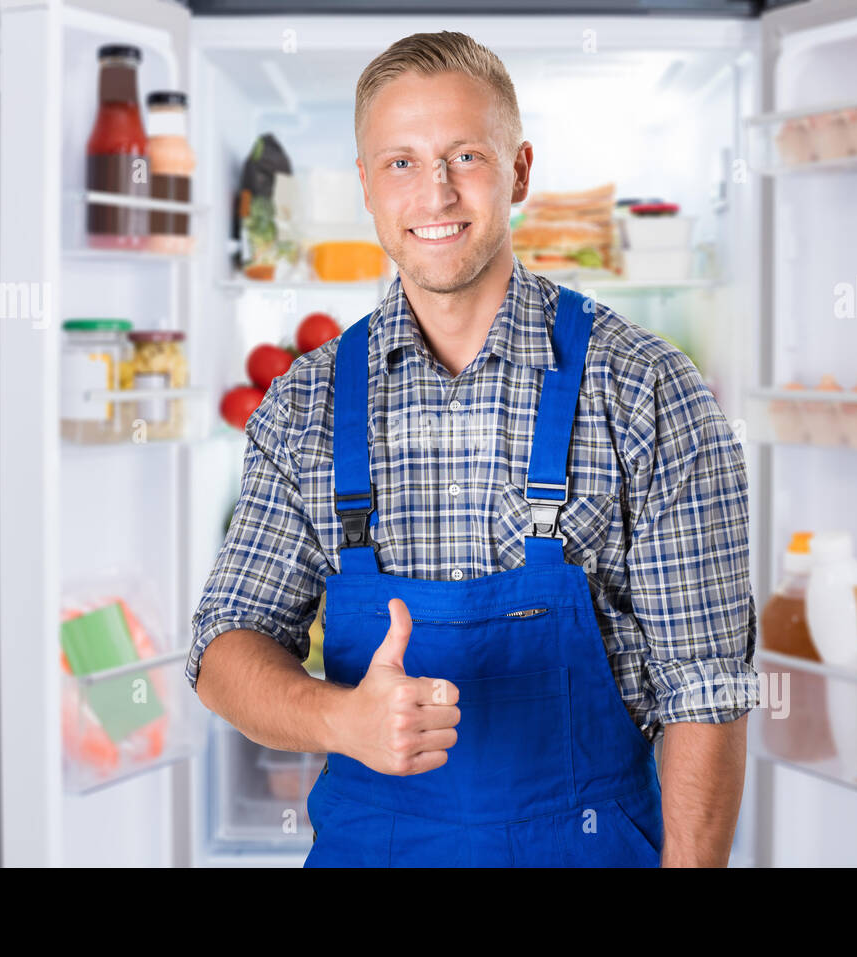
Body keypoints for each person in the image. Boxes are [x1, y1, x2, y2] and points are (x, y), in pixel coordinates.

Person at [187, 30, 757, 867]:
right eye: (402, 163)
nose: (437, 193)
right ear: (366, 186)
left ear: (520, 170)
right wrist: (340, 718)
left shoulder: (647, 390)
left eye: (465, 156)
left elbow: (707, 691)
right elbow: (224, 642)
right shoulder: (304, 403)